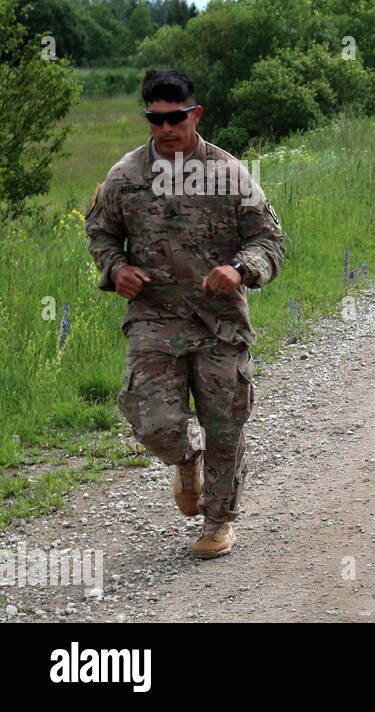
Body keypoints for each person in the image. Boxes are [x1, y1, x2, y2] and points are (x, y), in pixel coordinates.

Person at [86, 69, 285, 558]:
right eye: (156, 120)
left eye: (176, 118)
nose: (166, 129)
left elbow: (271, 241)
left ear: (195, 114)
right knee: (153, 423)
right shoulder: (125, 176)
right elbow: (101, 234)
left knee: (226, 425)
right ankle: (183, 459)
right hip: (154, 317)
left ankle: (217, 522)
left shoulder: (229, 173)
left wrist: (241, 268)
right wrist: (116, 269)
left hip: (219, 321)